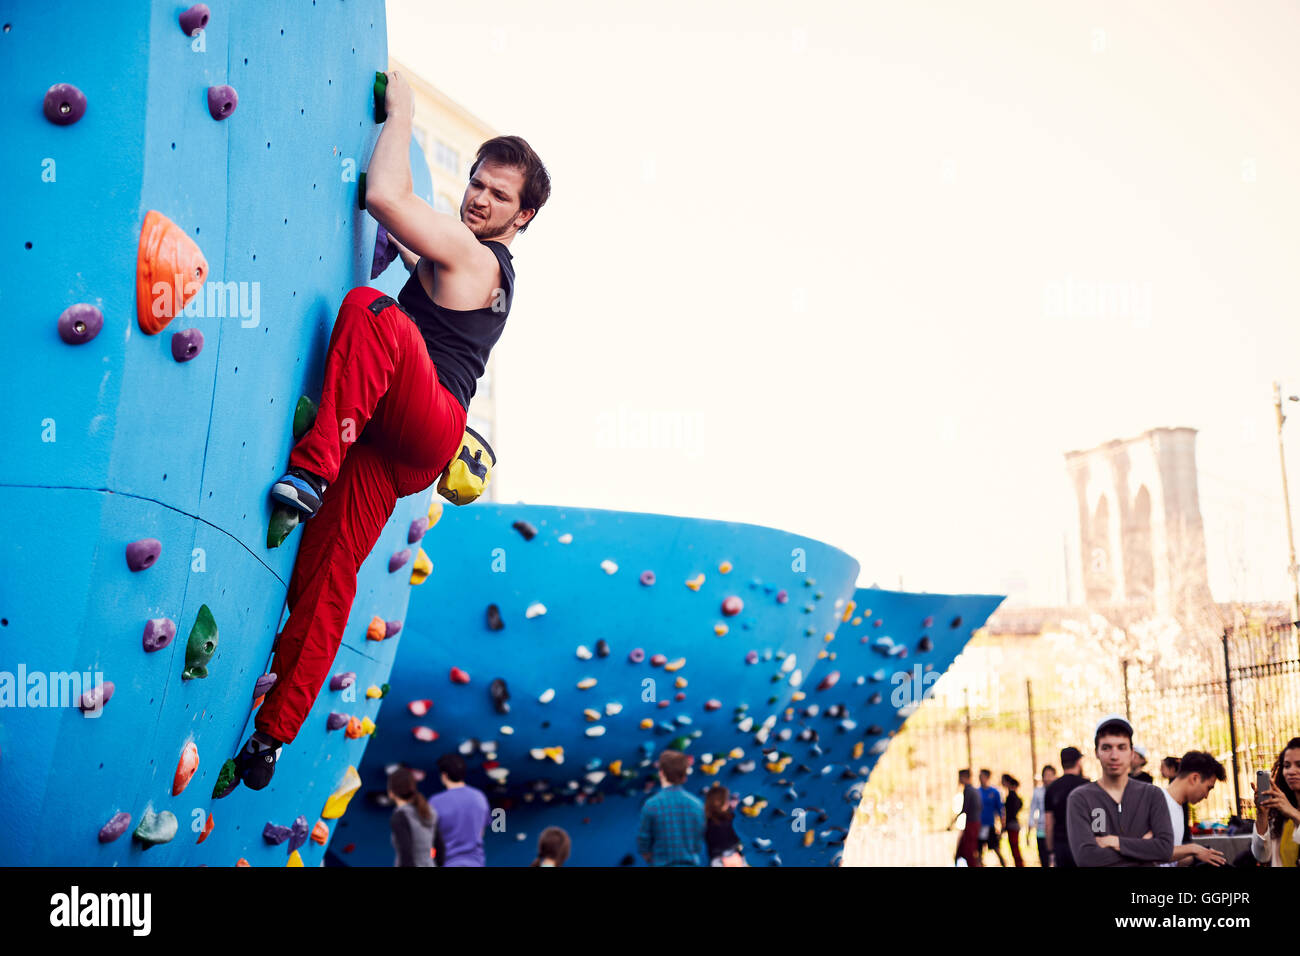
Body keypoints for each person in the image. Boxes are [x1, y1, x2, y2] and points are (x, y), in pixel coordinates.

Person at [222, 71, 551, 793]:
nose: (477, 197)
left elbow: (384, 198)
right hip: (387, 440)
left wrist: (400, 109)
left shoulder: (478, 256)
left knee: (374, 311)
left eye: (498, 195)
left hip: (425, 417)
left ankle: (309, 473)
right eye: (477, 182)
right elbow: (418, 261)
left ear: (521, 218)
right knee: (329, 577)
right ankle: (272, 738)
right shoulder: (461, 261)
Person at [1067, 715, 1173, 867]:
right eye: (1106, 747)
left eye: (1121, 747)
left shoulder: (1152, 794)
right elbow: (1086, 859)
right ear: (1096, 752)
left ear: (1131, 752)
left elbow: (1165, 850)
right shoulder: (1080, 798)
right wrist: (1143, 847)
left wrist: (1116, 842)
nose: (1114, 756)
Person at [637, 750, 706, 866]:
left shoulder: (651, 804)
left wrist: (651, 859)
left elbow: (644, 842)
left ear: (661, 773)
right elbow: (698, 843)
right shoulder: (697, 805)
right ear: (684, 777)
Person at [1161, 751, 1227, 867]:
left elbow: (1168, 860)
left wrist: (1199, 856)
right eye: (1208, 788)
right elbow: (1147, 851)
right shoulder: (1157, 803)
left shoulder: (1179, 807)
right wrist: (1192, 849)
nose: (1206, 796)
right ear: (1195, 778)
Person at [429, 753, 491, 866]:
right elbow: (481, 832)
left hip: (448, 862)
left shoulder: (435, 802)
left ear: (444, 775)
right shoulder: (479, 797)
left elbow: (429, 838)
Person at [1251, 736, 1300, 867]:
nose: (1291, 771)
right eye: (1287, 766)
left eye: (1299, 765)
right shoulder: (1280, 811)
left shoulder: (1288, 810)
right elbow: (1262, 856)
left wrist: (1295, 815)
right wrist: (1262, 815)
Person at [387, 766, 443, 867]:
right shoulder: (429, 811)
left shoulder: (400, 816)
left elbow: (406, 853)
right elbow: (440, 848)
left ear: (391, 792)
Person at [1044, 747, 1089, 868]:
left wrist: (1050, 851)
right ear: (1078, 762)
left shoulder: (1052, 788)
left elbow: (1048, 823)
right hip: (1082, 844)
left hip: (1060, 845)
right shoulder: (1087, 786)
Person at [704, 785, 746, 866]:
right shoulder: (729, 820)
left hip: (718, 860)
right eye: (726, 799)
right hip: (730, 859)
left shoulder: (705, 820)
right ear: (719, 801)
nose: (728, 802)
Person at [949, 768, 983, 867]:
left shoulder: (968, 790)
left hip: (972, 824)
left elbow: (965, 808)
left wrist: (953, 822)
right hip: (974, 823)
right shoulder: (974, 790)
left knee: (969, 852)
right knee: (962, 850)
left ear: (964, 777)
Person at [1029, 765, 1056, 866]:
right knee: (1044, 859)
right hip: (1041, 830)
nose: (1048, 778)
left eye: (1050, 775)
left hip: (1055, 831)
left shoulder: (1057, 790)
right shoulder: (1037, 791)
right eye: (1046, 775)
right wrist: (1030, 825)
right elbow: (1032, 809)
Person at [977, 768, 1006, 866]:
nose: (981, 779)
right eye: (979, 777)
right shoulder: (977, 792)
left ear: (987, 777)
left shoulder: (994, 792)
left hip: (990, 826)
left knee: (996, 849)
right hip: (980, 826)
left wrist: (1002, 825)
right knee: (978, 852)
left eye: (983, 777)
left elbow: (1000, 810)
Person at [1001, 774, 1025, 867]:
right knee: (1014, 848)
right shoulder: (1011, 795)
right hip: (1012, 824)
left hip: (1012, 824)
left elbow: (1010, 812)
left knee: (1015, 848)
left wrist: (1005, 825)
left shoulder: (1012, 796)